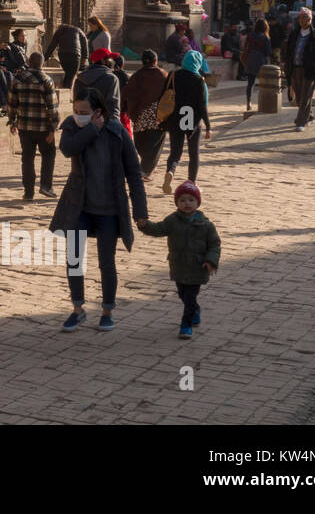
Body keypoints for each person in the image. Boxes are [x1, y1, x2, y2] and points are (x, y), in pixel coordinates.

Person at [50, 89, 148, 332]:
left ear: (98, 111)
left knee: (107, 262)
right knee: (74, 258)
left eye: (84, 112)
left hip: (109, 209)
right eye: (76, 111)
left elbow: (134, 173)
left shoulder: (117, 132)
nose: (79, 115)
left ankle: (107, 310)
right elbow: (68, 148)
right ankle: (78, 309)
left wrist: (140, 211)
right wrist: (91, 129)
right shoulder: (73, 127)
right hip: (79, 205)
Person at [136, 181, 221, 340]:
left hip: (198, 267)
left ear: (197, 202)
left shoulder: (206, 225)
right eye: (182, 200)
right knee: (182, 294)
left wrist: (210, 260)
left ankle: (186, 324)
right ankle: (195, 309)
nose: (187, 203)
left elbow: (214, 245)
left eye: (191, 200)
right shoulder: (172, 220)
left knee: (190, 296)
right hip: (179, 265)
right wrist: (145, 225)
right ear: (177, 203)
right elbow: (159, 229)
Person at [7, 52, 59, 201]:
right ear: (42, 63)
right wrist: (53, 127)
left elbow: (11, 103)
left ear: (29, 62)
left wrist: (12, 121)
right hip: (43, 127)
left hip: (24, 126)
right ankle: (46, 186)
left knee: (27, 158)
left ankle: (28, 192)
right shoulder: (46, 80)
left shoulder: (17, 79)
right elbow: (52, 107)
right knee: (48, 155)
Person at [160, 50, 211, 193]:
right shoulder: (198, 80)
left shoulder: (173, 75)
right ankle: (191, 182)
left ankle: (170, 171)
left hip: (175, 119)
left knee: (175, 152)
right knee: (193, 154)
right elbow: (202, 106)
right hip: (192, 120)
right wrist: (208, 126)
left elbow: (163, 95)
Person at [124, 50, 169, 181]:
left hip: (139, 116)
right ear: (155, 61)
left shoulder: (136, 76)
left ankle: (146, 168)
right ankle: (145, 170)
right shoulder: (163, 75)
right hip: (158, 117)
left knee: (142, 144)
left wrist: (127, 110)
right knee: (155, 145)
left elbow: (127, 94)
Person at [282, 6, 315, 131]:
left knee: (306, 97)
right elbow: (288, 51)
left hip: (309, 70)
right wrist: (285, 65)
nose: (302, 20)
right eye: (300, 17)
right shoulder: (294, 34)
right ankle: (309, 116)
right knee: (299, 98)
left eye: (305, 17)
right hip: (295, 69)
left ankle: (301, 122)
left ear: (310, 19)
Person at [75, 48, 121, 119]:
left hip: (83, 120)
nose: (113, 61)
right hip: (103, 121)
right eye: (110, 58)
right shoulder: (111, 78)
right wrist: (115, 123)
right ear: (103, 60)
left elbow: (76, 103)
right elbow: (113, 105)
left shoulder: (79, 79)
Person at [43, 22, 87, 92]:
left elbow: (52, 45)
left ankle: (65, 89)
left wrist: (45, 58)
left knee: (68, 73)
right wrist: (85, 58)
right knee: (71, 75)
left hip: (63, 55)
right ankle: (67, 91)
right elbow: (85, 43)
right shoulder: (77, 30)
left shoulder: (59, 31)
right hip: (75, 55)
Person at [241, 18, 271, 111]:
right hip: (261, 60)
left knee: (250, 83)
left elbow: (245, 46)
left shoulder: (250, 35)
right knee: (264, 83)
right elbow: (268, 52)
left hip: (251, 59)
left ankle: (248, 102)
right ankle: (263, 102)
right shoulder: (265, 37)